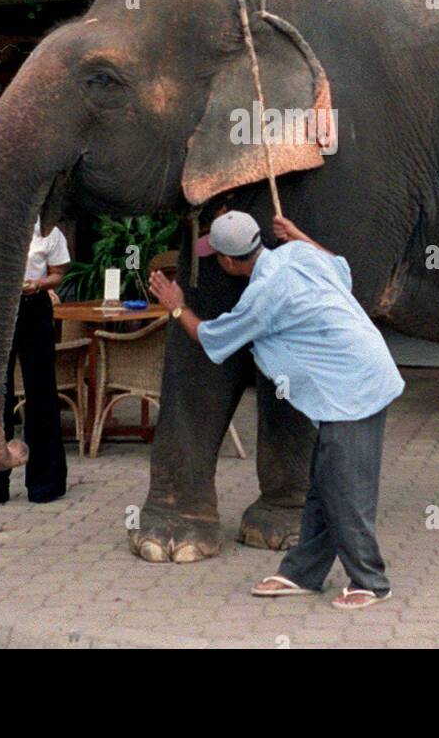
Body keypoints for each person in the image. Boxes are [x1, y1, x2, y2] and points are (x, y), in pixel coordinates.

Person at [147, 210, 404, 610]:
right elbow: (340, 268)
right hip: (356, 378)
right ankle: (302, 573)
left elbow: (212, 338)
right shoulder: (298, 254)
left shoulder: (263, 294)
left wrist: (177, 306)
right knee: (323, 483)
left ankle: (371, 582)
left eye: (216, 257)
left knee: (345, 488)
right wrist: (300, 233)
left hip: (354, 389)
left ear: (230, 262)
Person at [0, 219, 71, 507]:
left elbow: (58, 273)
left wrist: (39, 284)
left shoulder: (49, 230)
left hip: (33, 305)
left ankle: (45, 483)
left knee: (41, 392)